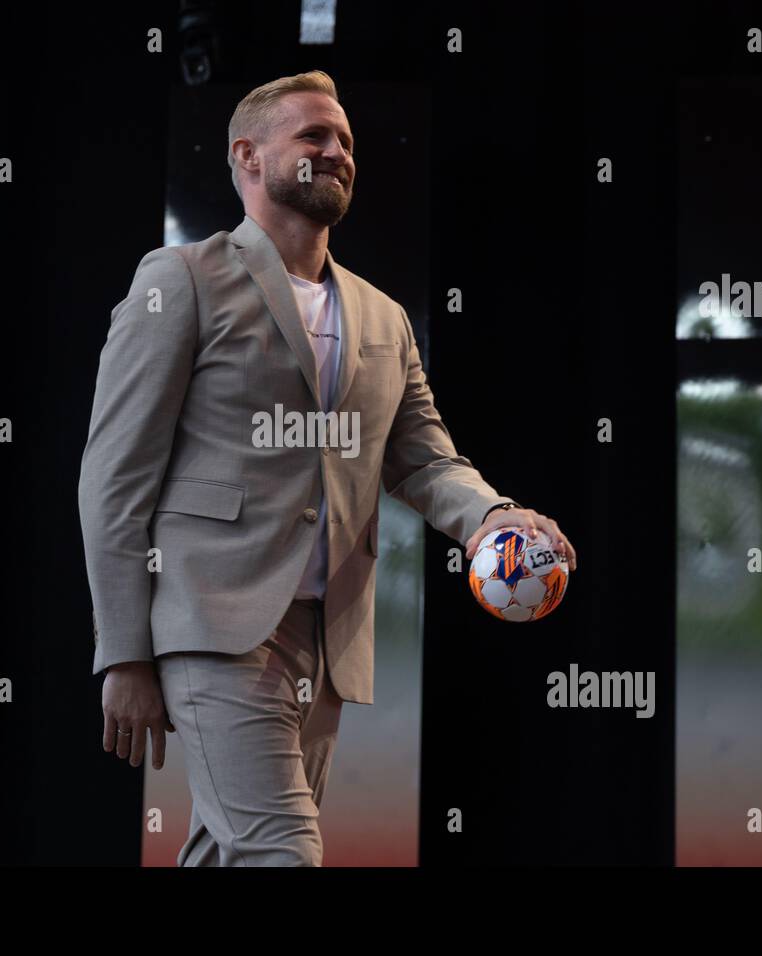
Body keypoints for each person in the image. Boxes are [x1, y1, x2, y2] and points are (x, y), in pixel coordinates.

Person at [78, 71, 575, 865]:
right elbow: (113, 477)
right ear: (249, 156)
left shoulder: (383, 317)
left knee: (229, 851)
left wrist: (492, 516)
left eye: (345, 140)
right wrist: (124, 652)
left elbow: (425, 458)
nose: (337, 152)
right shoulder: (181, 281)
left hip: (324, 643)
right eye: (314, 136)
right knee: (282, 852)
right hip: (213, 628)